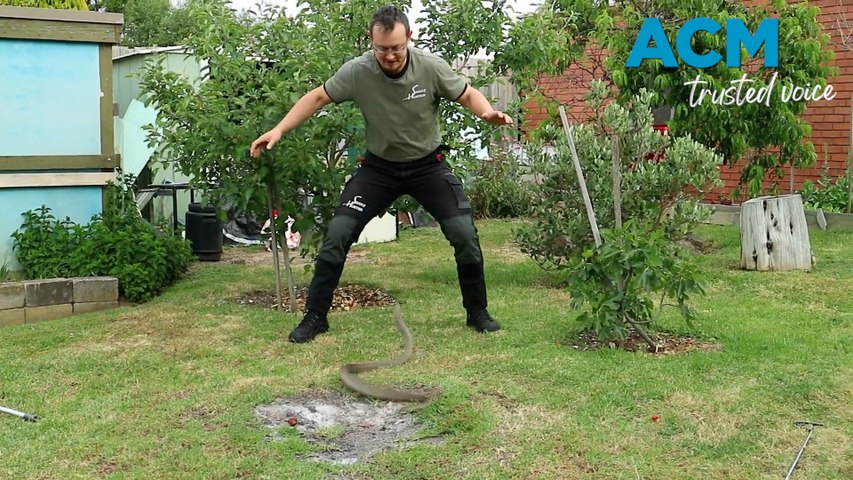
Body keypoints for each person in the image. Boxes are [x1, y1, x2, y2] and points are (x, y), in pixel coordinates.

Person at [250, 5, 513, 343]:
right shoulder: (358, 71)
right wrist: (279, 130)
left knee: (463, 233)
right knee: (338, 234)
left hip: (427, 166)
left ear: (409, 39)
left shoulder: (429, 67)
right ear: (371, 42)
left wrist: (487, 112)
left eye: (396, 48)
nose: (389, 55)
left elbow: (467, 94)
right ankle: (315, 317)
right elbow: (317, 98)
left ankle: (478, 312)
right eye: (382, 48)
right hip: (379, 169)